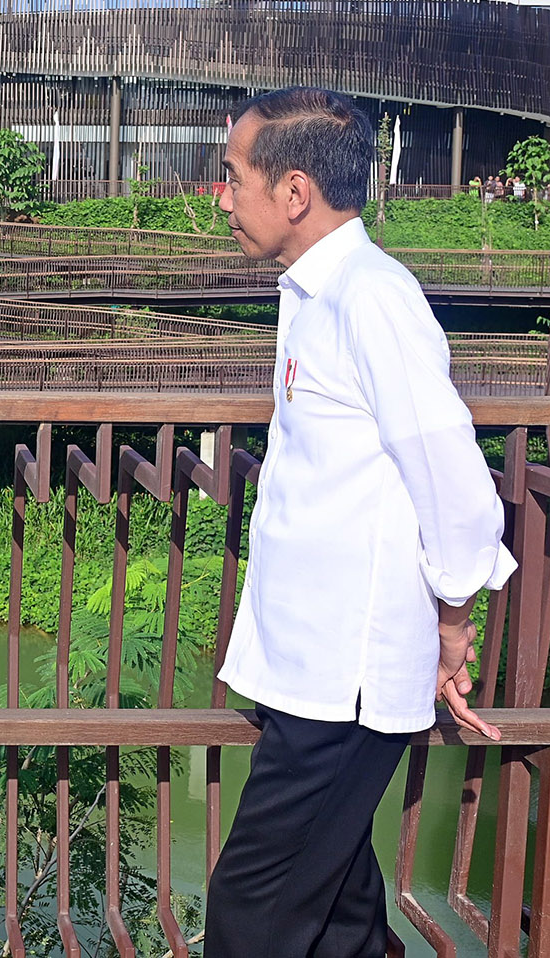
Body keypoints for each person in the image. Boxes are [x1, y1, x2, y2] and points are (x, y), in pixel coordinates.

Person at [205, 88, 515, 958]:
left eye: (233, 177)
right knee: (338, 913)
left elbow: (450, 473)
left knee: (250, 915)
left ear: (294, 192)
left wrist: (454, 614)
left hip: (344, 680)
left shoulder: (372, 297)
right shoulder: (316, 290)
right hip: (311, 665)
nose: (221, 198)